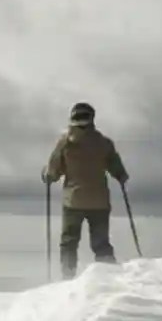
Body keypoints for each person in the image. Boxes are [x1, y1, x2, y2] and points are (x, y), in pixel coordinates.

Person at [41, 102, 129, 279]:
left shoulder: (65, 143)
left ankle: (67, 277)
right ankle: (109, 278)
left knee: (69, 242)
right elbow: (119, 172)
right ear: (92, 119)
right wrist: (120, 176)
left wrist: (46, 175)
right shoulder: (104, 143)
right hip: (100, 201)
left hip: (73, 201)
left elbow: (53, 172)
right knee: (101, 244)